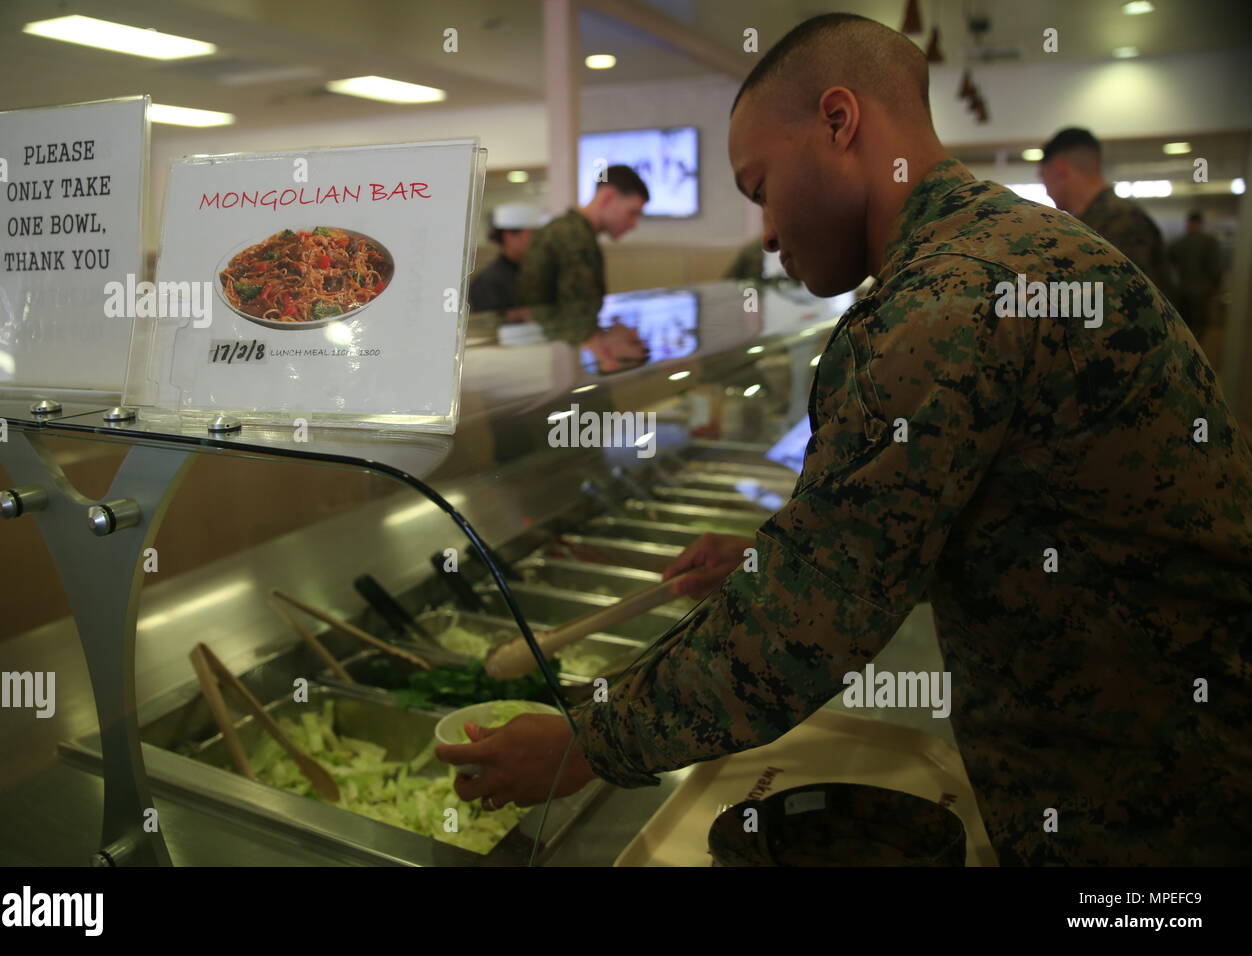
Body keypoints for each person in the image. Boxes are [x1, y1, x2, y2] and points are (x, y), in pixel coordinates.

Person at [436, 13, 1252, 865]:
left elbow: (801, 629)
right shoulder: (1009, 245)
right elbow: (1015, 531)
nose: (767, 232)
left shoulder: (943, 301)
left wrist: (586, 741)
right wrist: (774, 557)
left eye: (761, 187)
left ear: (838, 120)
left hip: (1153, 807)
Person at [1038, 127, 1175, 297]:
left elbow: (1132, 300)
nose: (1046, 189)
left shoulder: (1120, 221)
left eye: (1043, 176)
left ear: (1060, 169)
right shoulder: (1092, 221)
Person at [516, 164, 649, 307]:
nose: (633, 225)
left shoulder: (573, 231)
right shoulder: (574, 239)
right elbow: (582, 313)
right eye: (632, 213)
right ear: (607, 197)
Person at [468, 203, 548, 313]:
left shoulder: (540, 273)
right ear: (509, 236)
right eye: (534, 234)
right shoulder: (487, 282)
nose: (540, 241)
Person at [1168, 210, 1224, 342]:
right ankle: (1197, 348)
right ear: (1201, 223)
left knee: (1183, 322)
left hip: (1181, 289)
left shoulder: (1178, 242)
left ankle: (1184, 346)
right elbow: (1215, 267)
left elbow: (1168, 266)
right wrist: (1217, 286)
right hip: (1202, 290)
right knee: (1199, 323)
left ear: (1188, 223)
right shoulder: (1209, 242)